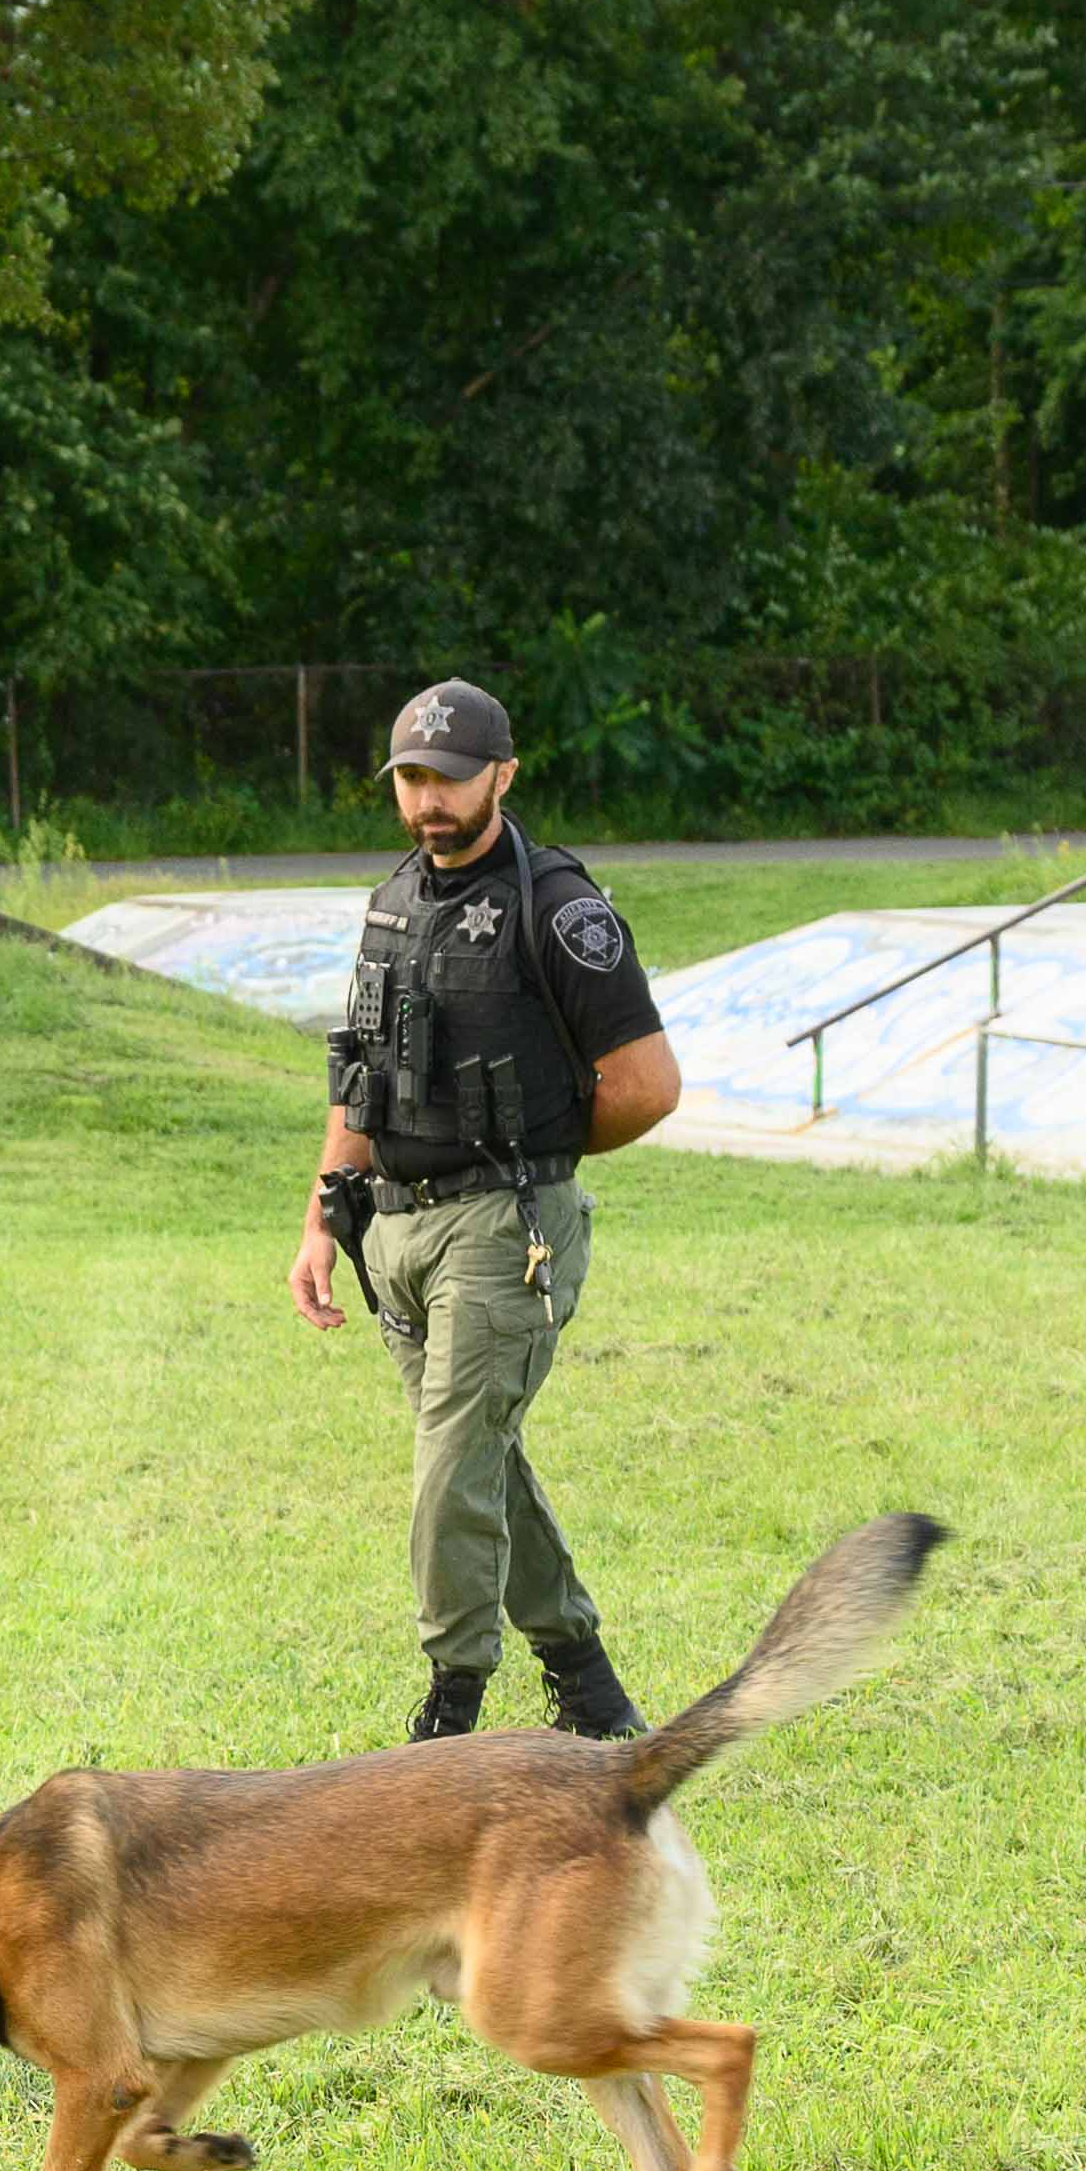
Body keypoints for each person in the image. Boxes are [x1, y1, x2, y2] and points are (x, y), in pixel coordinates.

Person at [288, 678, 684, 1740]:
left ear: (502, 775)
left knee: (450, 1462)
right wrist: (321, 1218)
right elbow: (358, 1077)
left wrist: (538, 1152)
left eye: (450, 779)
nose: (428, 800)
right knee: (477, 1457)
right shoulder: (393, 901)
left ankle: (448, 1713)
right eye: (410, 778)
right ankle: (585, 1679)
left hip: (504, 1232)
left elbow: (646, 1084)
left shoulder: (559, 908)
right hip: (395, 1227)